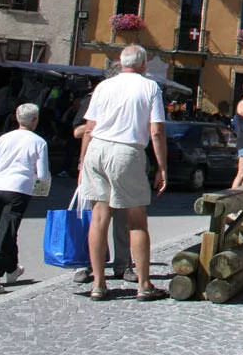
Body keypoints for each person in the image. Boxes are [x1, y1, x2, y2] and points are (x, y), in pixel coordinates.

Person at [78, 45, 169, 301]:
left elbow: (89, 127)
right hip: (126, 150)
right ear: (143, 65)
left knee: (99, 217)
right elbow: (156, 131)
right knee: (136, 220)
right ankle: (144, 284)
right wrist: (162, 166)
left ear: (121, 62)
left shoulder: (103, 86)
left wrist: (82, 162)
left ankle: (98, 283)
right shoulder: (150, 87)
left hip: (96, 148)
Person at [0, 103, 49, 295]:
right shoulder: (38, 142)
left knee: (7, 228)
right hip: (19, 190)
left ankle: (12, 268)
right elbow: (42, 174)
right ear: (35, 120)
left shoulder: (3, 139)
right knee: (5, 231)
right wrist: (40, 190)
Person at [71, 88, 133, 286]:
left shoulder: (130, 97)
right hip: (97, 162)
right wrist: (82, 163)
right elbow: (81, 131)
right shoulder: (94, 97)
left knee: (122, 217)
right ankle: (86, 264)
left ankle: (123, 265)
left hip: (122, 160)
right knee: (95, 218)